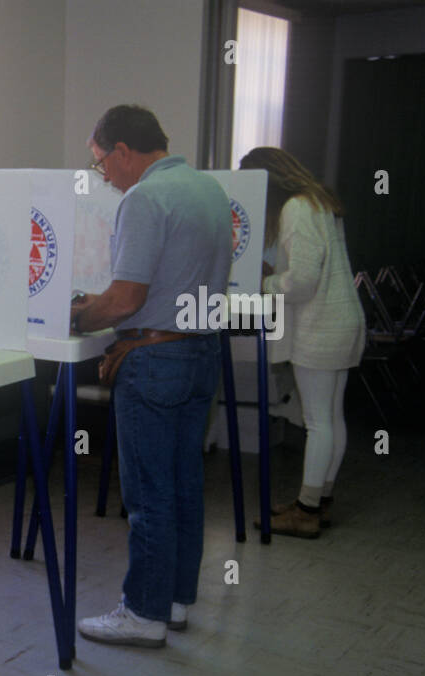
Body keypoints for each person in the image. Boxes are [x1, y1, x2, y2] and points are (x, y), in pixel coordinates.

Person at [70, 105, 232, 648]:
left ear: (122, 151)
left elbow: (125, 299)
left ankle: (142, 612)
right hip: (200, 353)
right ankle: (176, 601)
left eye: (101, 165)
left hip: (154, 360)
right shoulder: (207, 189)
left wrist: (73, 314)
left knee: (148, 494)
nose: (105, 178)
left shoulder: (144, 198)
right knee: (185, 484)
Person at [240, 147, 365, 538]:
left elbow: (302, 282)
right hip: (341, 321)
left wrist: (264, 284)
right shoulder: (319, 201)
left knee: (317, 422)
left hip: (321, 327)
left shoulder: (296, 208)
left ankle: (306, 511)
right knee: (330, 417)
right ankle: (318, 500)